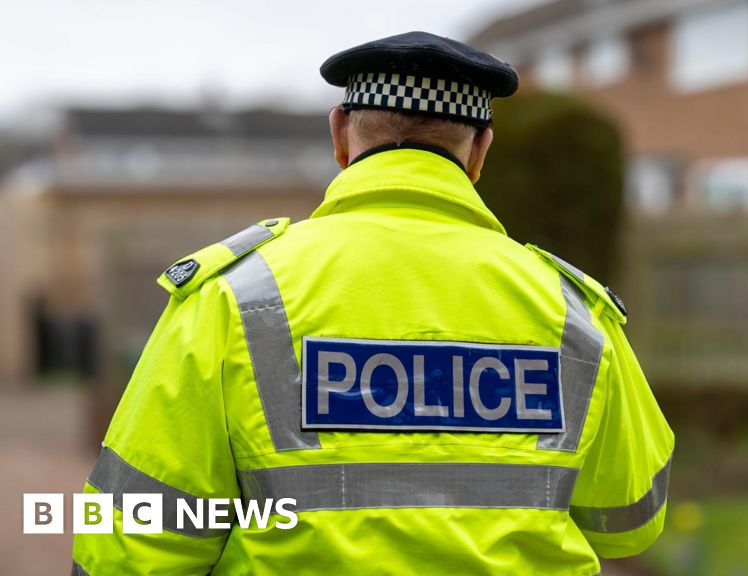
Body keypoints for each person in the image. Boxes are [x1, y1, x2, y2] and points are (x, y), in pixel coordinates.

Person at [71, 31, 674, 575]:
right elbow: (629, 519)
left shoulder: (236, 295)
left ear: (339, 133)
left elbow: (134, 541)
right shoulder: (573, 310)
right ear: (480, 150)